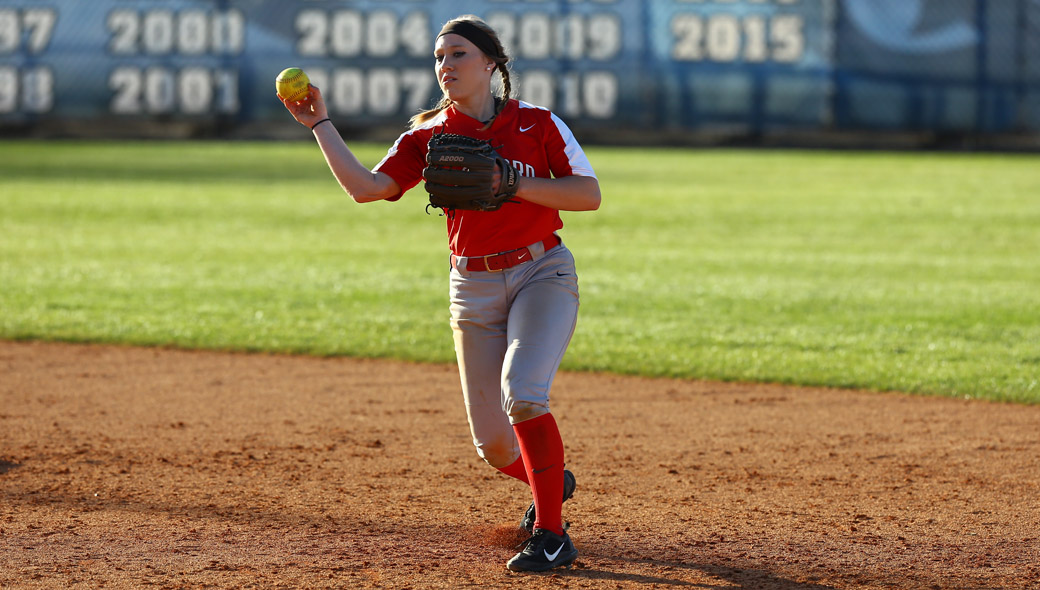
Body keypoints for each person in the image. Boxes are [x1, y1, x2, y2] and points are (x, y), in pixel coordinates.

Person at [279, 14, 600, 573]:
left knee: (523, 391)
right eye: (439, 57)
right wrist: (320, 123)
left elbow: (588, 194)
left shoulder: (537, 123)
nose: (445, 65)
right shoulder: (428, 135)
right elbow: (368, 188)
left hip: (541, 272)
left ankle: (551, 535)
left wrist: (512, 182)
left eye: (457, 54)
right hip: (471, 286)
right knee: (494, 446)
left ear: (490, 63)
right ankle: (550, 479)